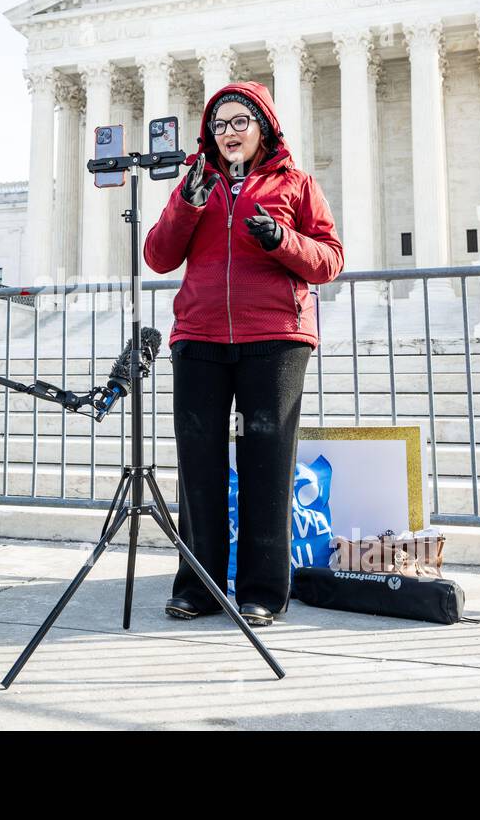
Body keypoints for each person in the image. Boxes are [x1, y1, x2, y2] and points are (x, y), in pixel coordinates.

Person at [144, 81, 344, 627]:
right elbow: (159, 257)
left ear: (263, 128)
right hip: (200, 337)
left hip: (275, 337)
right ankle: (199, 586)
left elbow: (329, 260)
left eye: (239, 122)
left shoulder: (297, 184)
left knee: (267, 465)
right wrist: (187, 204)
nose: (228, 133)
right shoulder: (194, 185)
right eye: (219, 125)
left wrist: (281, 239)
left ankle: (262, 590)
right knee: (199, 468)